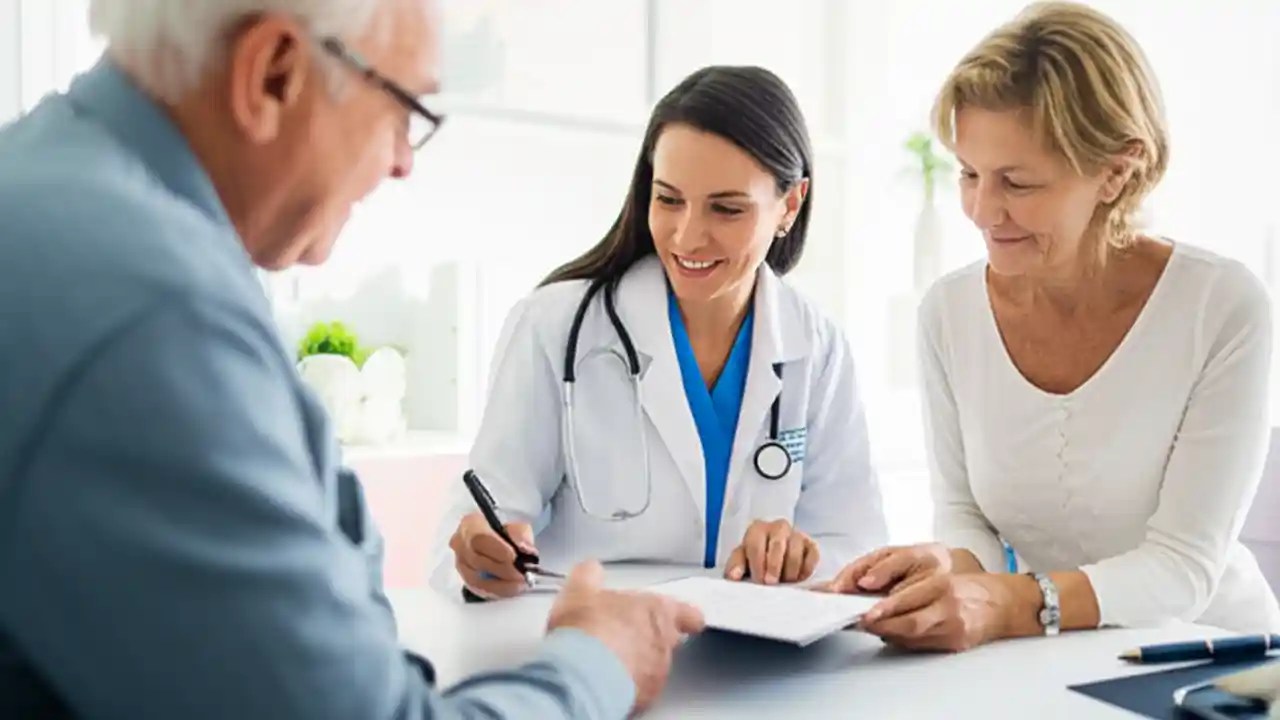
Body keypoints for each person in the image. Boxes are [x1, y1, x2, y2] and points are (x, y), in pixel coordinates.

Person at [0, 0, 704, 717]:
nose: (402, 161)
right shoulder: (143, 315)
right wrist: (597, 662)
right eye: (404, 109)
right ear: (273, 74)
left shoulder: (58, 191)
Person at [828, 0, 1280, 651]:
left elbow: (1181, 569)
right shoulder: (948, 314)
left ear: (1116, 173)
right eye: (969, 174)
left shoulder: (1222, 306)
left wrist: (1004, 602)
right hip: (1048, 662)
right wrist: (945, 570)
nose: (983, 211)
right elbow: (966, 516)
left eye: (1017, 182)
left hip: (1213, 660)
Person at [434, 65, 888, 601]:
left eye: (726, 208)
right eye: (668, 199)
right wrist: (481, 555)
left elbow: (855, 545)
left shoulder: (816, 346)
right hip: (593, 649)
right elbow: (480, 527)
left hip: (752, 664)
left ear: (789, 204)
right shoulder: (555, 327)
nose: (688, 236)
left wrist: (798, 554)